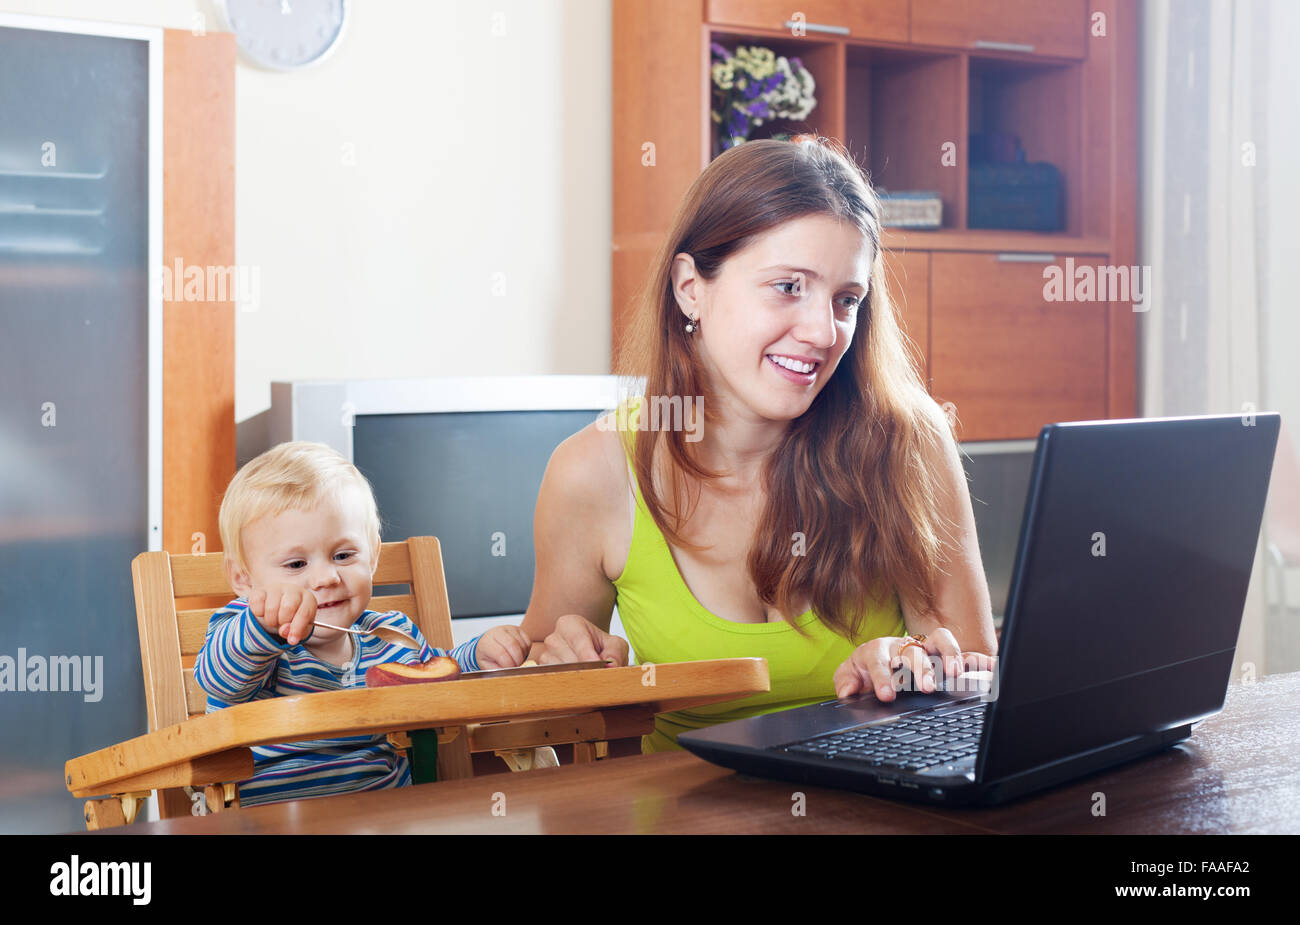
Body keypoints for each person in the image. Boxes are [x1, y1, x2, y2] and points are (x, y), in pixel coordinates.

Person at [521, 136, 998, 753]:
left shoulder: (906, 441)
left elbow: (978, 681)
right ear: (691, 286)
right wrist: (564, 669)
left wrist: (910, 670)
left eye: (846, 300)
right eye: (788, 287)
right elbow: (535, 714)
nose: (823, 332)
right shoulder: (593, 472)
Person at [195, 440, 530, 805]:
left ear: (372, 558)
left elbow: (437, 677)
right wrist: (264, 627)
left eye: (343, 555)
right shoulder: (248, 635)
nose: (326, 578)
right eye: (296, 565)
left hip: (387, 816)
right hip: (271, 823)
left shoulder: (390, 637)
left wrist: (479, 656)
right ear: (243, 579)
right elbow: (219, 681)